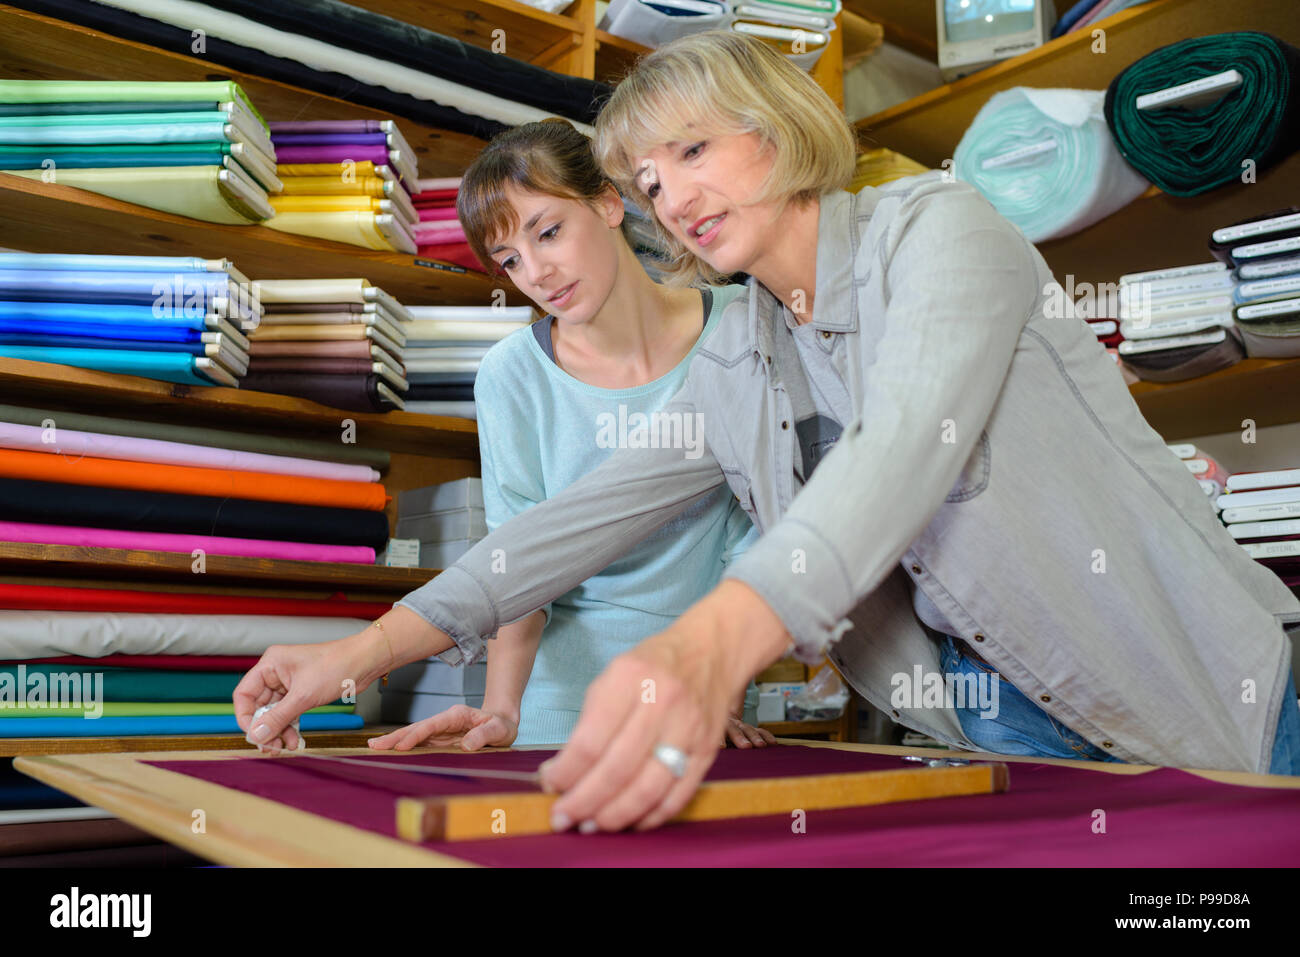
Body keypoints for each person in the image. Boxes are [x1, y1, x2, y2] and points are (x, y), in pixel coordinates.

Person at [236, 32, 1300, 834]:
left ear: (779, 124)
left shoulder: (942, 231)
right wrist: (357, 653)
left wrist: (705, 648)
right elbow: (564, 528)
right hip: (1003, 746)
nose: (675, 196)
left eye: (693, 149)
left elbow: (897, 452)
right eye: (652, 180)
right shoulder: (742, 351)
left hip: (1204, 695)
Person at [261, 118, 773, 753]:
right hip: (558, 714)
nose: (537, 273)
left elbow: (758, 539)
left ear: (609, 202)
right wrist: (500, 710)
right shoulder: (511, 376)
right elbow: (519, 563)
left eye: (549, 232)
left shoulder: (745, 328)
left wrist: (718, 686)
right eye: (509, 260)